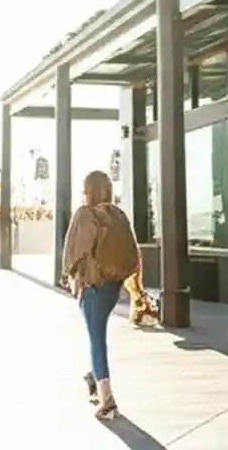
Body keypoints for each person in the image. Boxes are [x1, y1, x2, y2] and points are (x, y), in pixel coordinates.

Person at [63, 170, 139, 421]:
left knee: (97, 340)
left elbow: (75, 253)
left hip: (93, 287)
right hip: (113, 287)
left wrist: (72, 277)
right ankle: (93, 378)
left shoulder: (86, 215)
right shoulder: (118, 214)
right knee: (97, 332)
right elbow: (133, 251)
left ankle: (107, 402)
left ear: (89, 190)